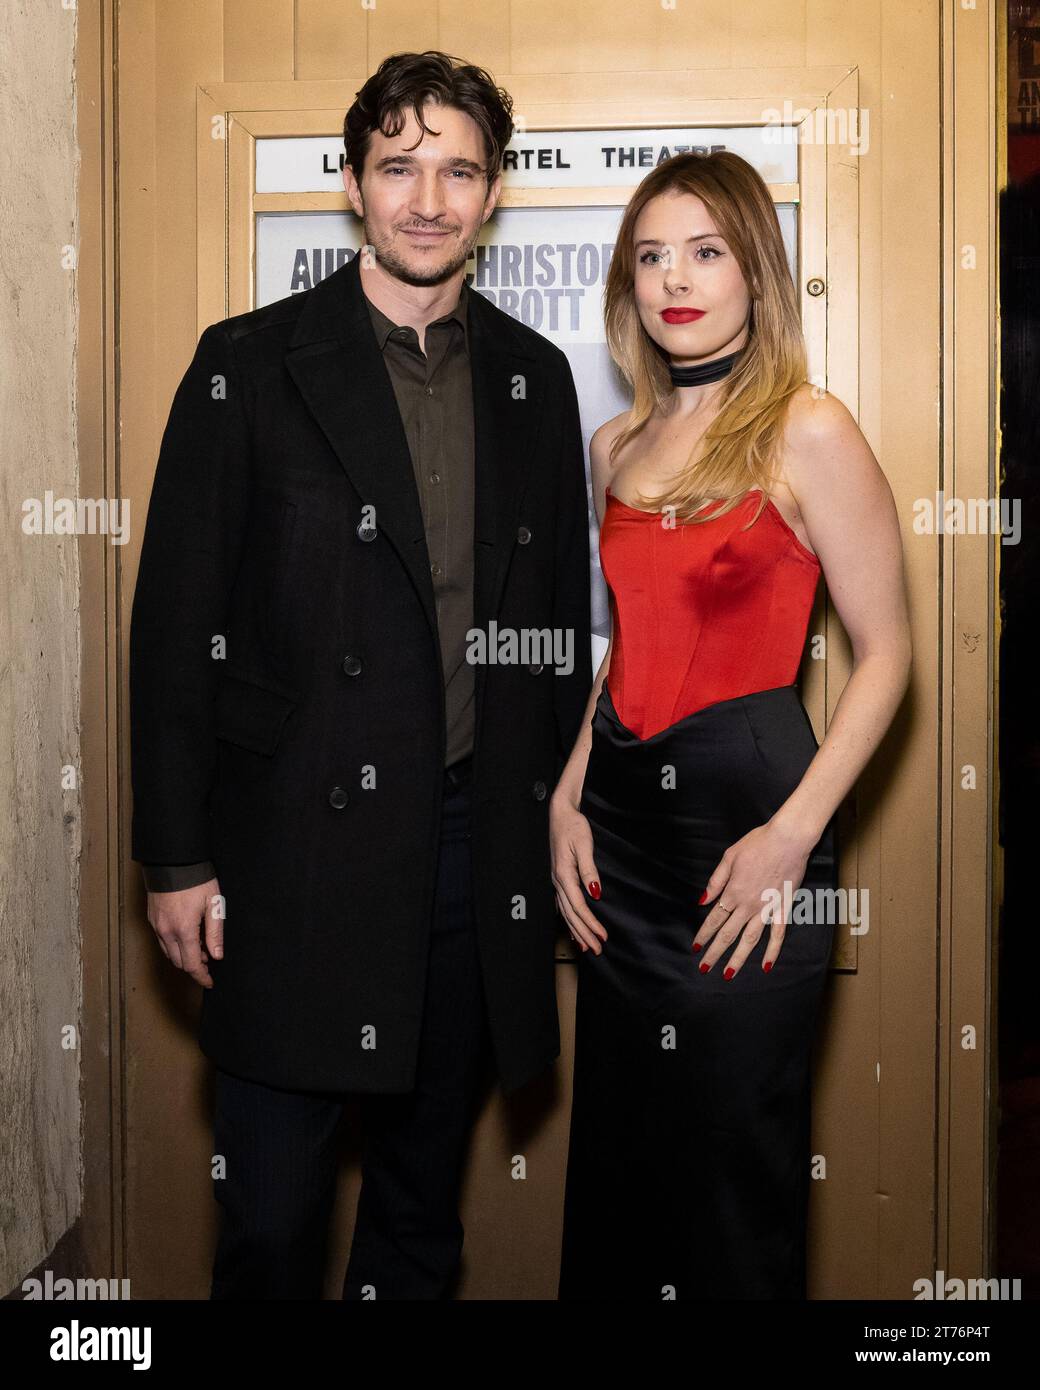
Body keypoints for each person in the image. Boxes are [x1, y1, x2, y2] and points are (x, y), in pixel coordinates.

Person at [129, 49, 591, 1300]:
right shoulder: (245, 363)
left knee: (417, 1218)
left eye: (459, 172)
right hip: (288, 853)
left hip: (467, 855)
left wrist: (555, 812)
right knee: (271, 1226)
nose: (427, 200)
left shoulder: (534, 380)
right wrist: (173, 858)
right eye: (398, 168)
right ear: (351, 185)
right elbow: (174, 628)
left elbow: (552, 632)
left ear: (493, 192)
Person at [551, 150, 911, 1300]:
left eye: (704, 251)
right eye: (651, 255)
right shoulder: (614, 447)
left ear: (755, 270)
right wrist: (564, 794)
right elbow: (625, 645)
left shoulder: (806, 428)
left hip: (751, 835)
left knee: (726, 1176)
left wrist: (792, 837)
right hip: (619, 837)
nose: (674, 278)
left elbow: (886, 654)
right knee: (621, 1166)